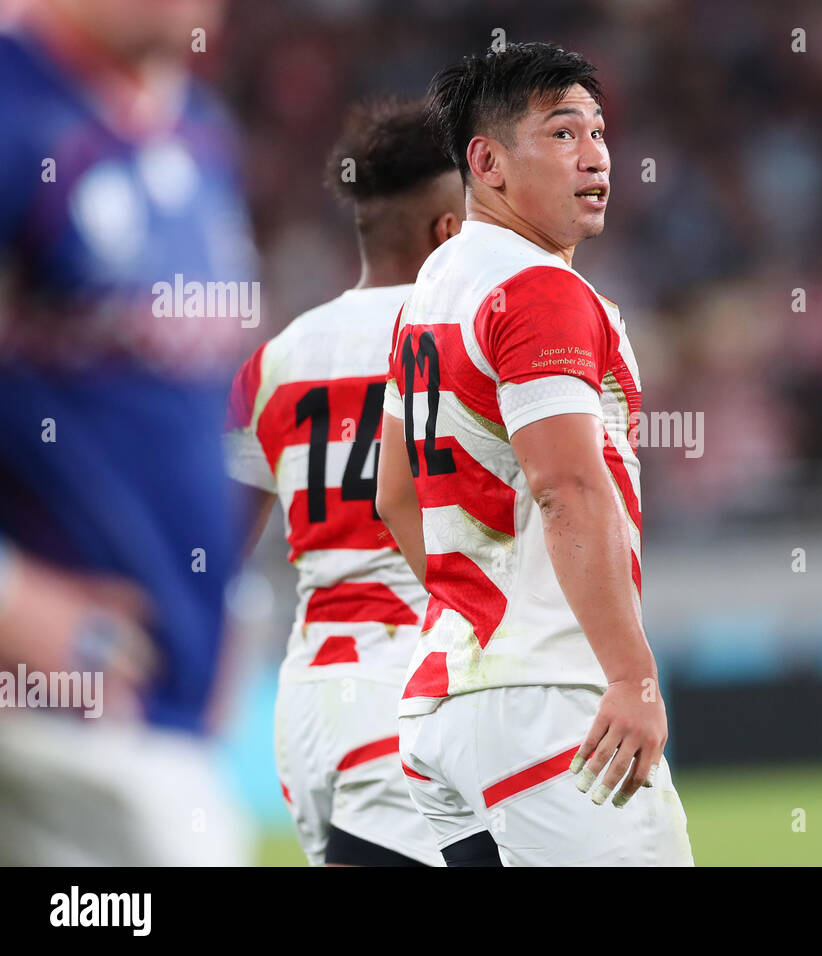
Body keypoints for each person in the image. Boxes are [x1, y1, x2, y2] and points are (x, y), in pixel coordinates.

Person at [376, 41, 693, 866]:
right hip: (549, 705)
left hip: (443, 708)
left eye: (597, 131)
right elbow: (566, 489)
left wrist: (481, 619)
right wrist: (630, 676)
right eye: (561, 134)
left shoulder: (428, 295)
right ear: (487, 162)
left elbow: (395, 496)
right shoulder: (539, 288)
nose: (594, 156)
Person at [0, 0, 255, 864]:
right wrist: (8, 598)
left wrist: (231, 609)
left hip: (154, 707)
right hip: (49, 722)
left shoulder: (196, 127)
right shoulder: (11, 109)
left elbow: (194, 406)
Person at [224, 97, 466, 866]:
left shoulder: (277, 362)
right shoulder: (468, 338)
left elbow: (213, 546)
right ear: (450, 229)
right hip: (419, 691)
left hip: (313, 705)